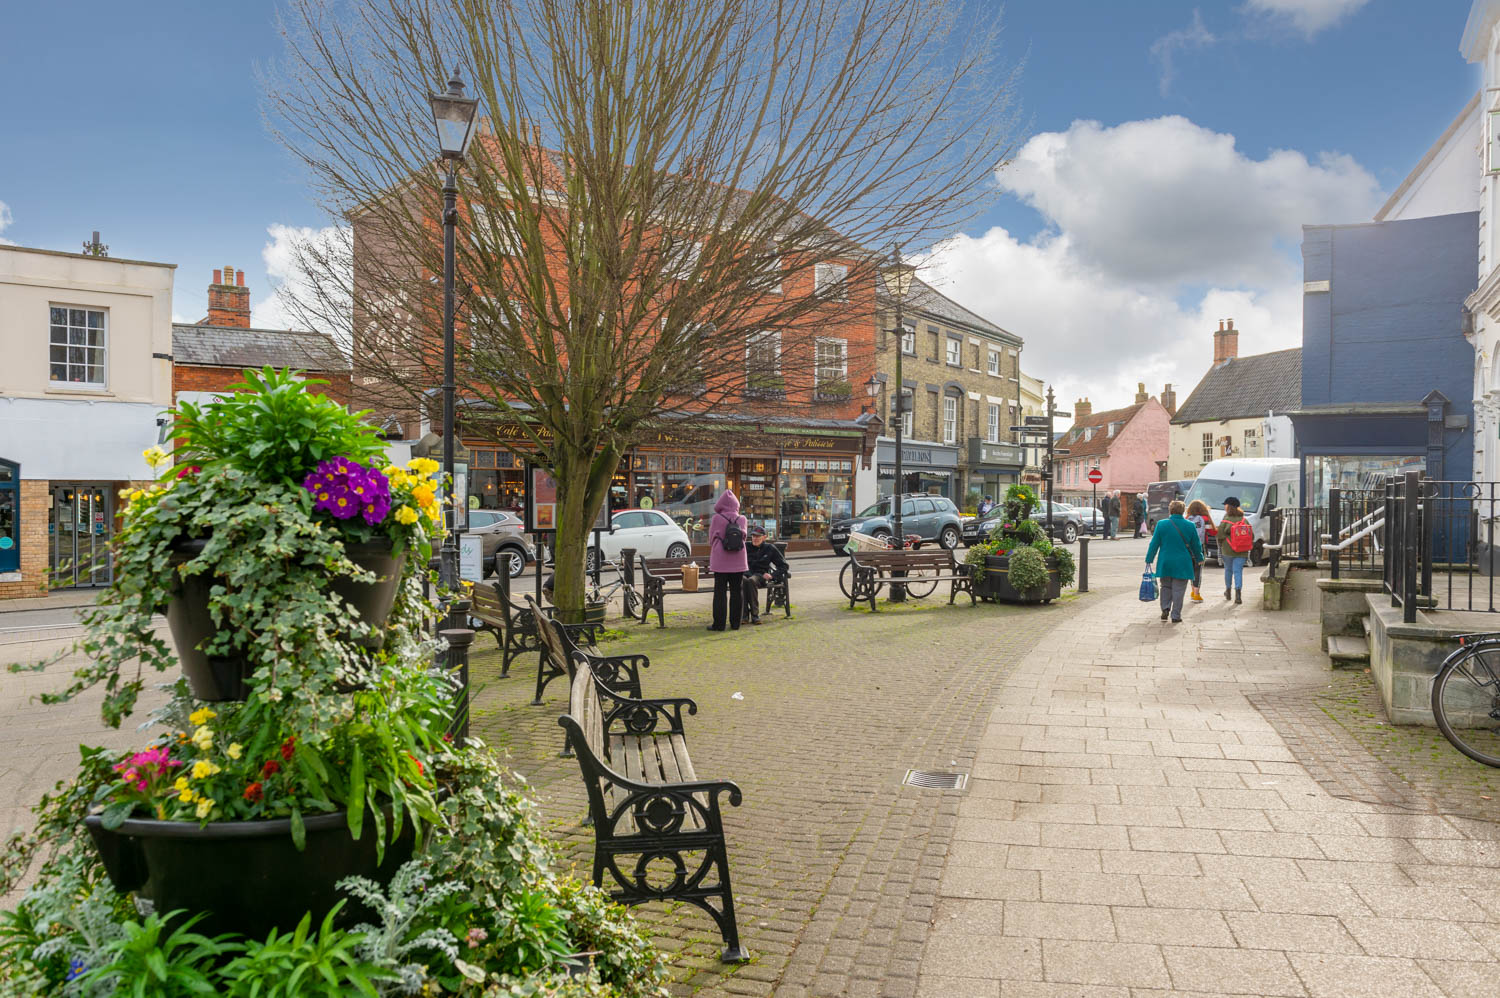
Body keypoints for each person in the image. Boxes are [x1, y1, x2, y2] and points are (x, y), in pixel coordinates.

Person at [1145, 499, 1203, 623]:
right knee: (1179, 589)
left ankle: (1165, 608)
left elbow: (1154, 544)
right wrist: (1200, 558)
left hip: (1165, 562)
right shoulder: (1190, 525)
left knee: (1165, 586)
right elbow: (1196, 545)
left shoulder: (1161, 524)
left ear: (1170, 510)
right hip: (1183, 563)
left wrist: (1149, 559)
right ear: (1183, 511)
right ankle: (1176, 615)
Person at [707, 489, 748, 631]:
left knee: (720, 592)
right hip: (739, 560)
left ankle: (719, 624)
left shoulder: (716, 519)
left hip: (720, 560)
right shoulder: (742, 519)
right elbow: (744, 538)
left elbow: (711, 539)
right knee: (737, 592)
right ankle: (735, 623)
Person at [740, 526, 789, 625]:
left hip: (759, 575)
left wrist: (772, 575)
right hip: (745, 573)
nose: (755, 538)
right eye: (753, 536)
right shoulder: (746, 546)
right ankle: (744, 615)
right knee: (743, 580)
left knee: (751, 581)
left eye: (758, 536)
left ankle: (754, 615)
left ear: (764, 537)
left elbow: (784, 566)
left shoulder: (769, 548)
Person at [1216, 496, 1251, 604]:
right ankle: (1238, 594)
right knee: (1238, 571)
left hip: (1228, 549)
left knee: (1228, 570)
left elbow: (1220, 535)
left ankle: (1228, 591)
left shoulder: (1226, 519)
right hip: (1242, 550)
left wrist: (1221, 545)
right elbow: (1251, 535)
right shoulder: (1244, 520)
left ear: (1228, 507)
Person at [1185, 499, 1213, 603]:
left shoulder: (1187, 518)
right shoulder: (1205, 519)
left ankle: (1193, 592)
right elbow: (1213, 532)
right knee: (1198, 570)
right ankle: (1196, 594)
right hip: (1200, 547)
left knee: (1191, 570)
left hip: (1188, 548)